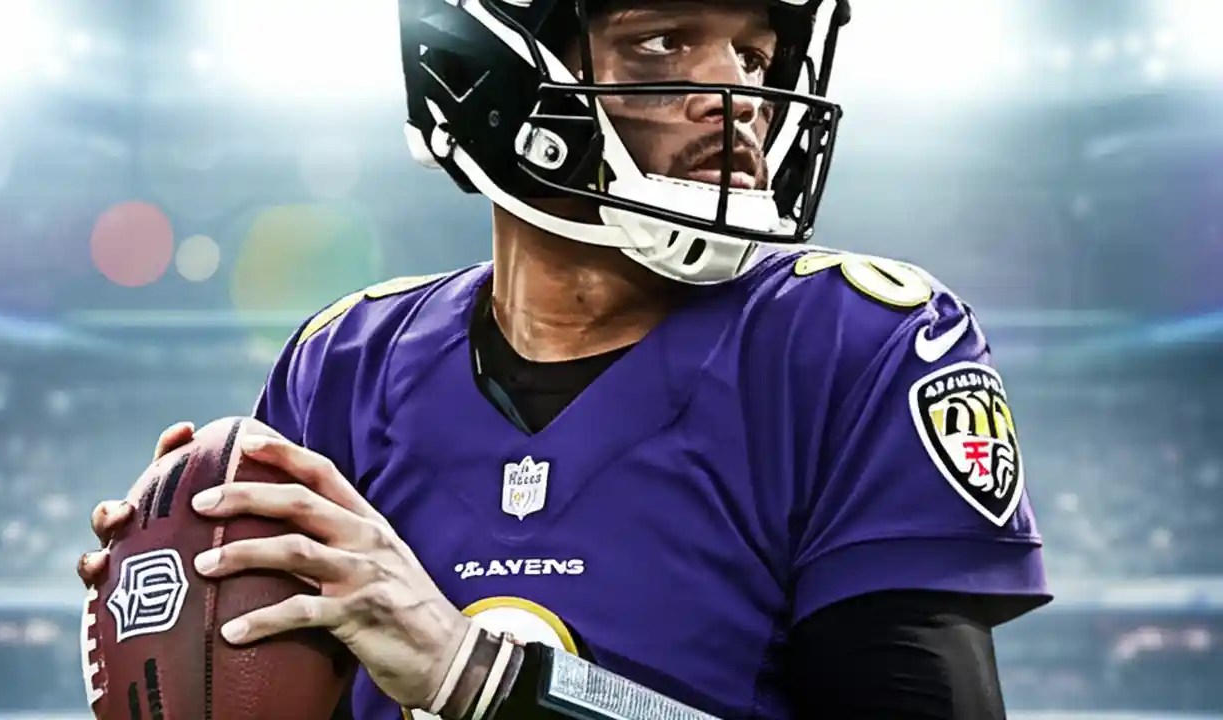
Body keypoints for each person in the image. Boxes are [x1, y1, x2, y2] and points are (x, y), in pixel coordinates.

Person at [78, 0, 1051, 718]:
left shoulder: (858, 340)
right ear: (489, 71)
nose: (739, 98)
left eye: (755, 54)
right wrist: (183, 619)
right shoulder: (343, 361)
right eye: (661, 41)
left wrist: (486, 684)